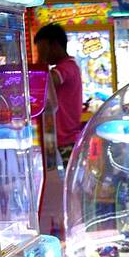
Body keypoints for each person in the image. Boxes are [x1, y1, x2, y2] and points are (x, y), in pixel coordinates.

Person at [34, 22, 84, 162]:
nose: (41, 54)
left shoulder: (67, 67)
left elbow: (44, 82)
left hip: (64, 143)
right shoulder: (68, 66)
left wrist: (41, 60)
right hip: (59, 142)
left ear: (54, 45)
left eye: (42, 49)